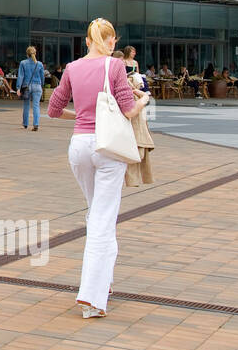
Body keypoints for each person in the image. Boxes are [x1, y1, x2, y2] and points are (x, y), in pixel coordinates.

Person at [46, 18, 150, 319]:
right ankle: (91, 299)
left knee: (98, 215)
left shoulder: (72, 68)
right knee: (103, 220)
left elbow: (53, 110)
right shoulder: (115, 66)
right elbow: (128, 109)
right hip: (107, 148)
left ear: (87, 40)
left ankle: (103, 284)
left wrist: (80, 116)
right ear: (111, 41)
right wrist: (145, 99)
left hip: (79, 146)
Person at [17, 46, 44, 130]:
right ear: (35, 53)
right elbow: (42, 77)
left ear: (27, 54)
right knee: (36, 106)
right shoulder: (39, 64)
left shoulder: (23, 63)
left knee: (26, 105)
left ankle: (25, 124)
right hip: (37, 86)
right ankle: (36, 124)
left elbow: (21, 76)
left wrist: (18, 87)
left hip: (26, 86)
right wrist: (41, 85)